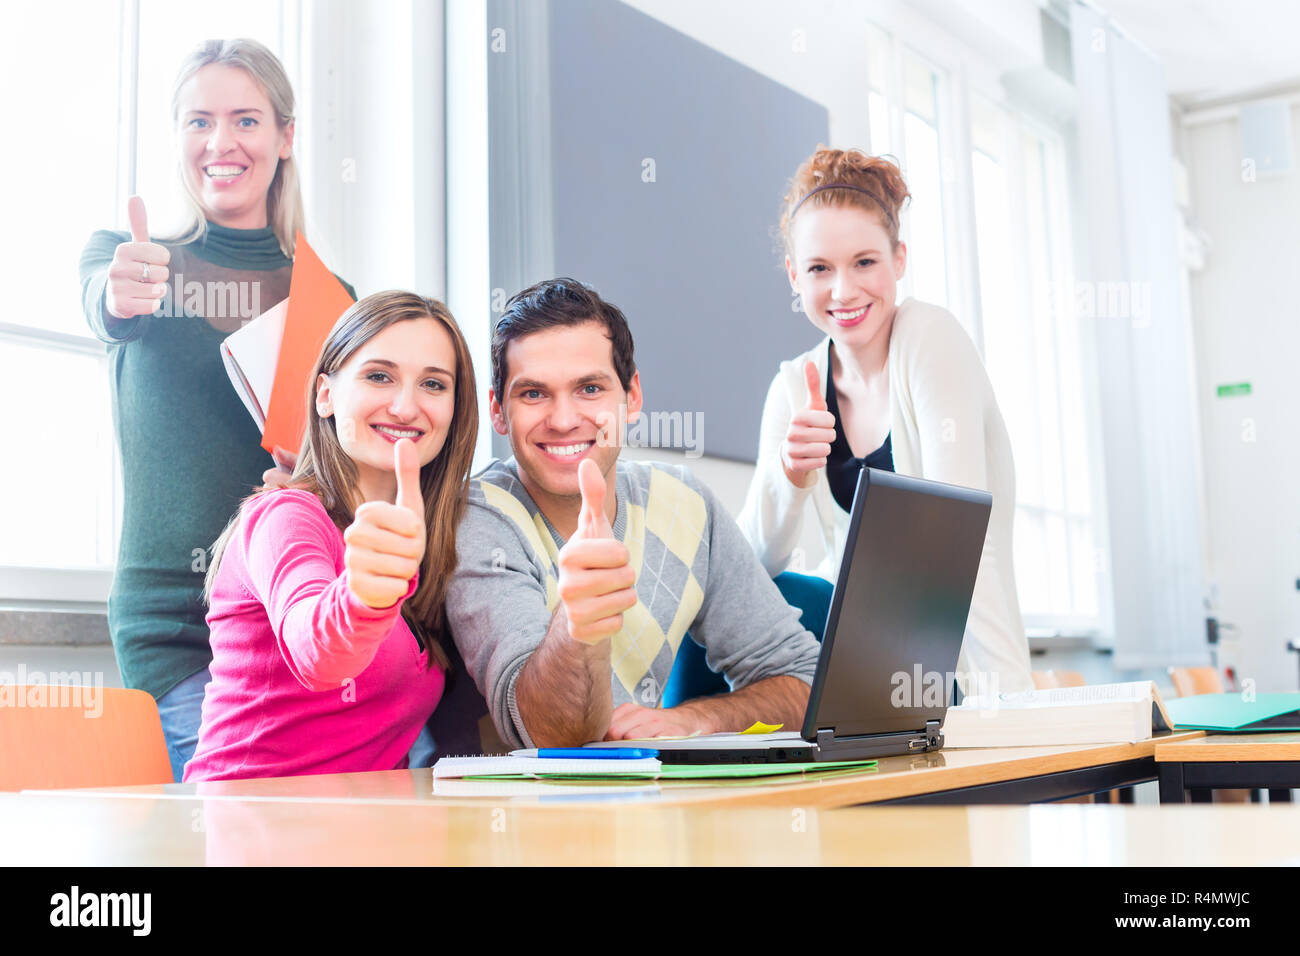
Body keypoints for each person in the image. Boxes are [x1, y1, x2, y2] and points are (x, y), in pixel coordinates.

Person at [77, 39, 355, 779]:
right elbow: (106, 306)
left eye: (245, 120)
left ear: (285, 137)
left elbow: (349, 471)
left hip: (300, 619)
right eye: (198, 121)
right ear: (177, 139)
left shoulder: (335, 302)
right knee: (232, 830)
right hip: (176, 626)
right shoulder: (131, 258)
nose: (221, 142)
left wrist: (315, 485)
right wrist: (116, 291)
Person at [444, 278, 822, 750]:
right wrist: (579, 624)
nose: (563, 420)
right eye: (534, 394)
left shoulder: (685, 504)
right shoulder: (476, 519)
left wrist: (693, 721)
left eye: (589, 388)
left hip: (639, 807)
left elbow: (803, 680)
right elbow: (549, 740)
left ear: (633, 397)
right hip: (502, 815)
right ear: (499, 411)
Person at [736, 146, 1034, 695]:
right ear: (793, 276)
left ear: (899, 259)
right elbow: (753, 565)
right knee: (736, 611)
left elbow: (963, 537)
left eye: (865, 262)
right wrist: (790, 475)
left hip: (942, 663)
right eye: (820, 268)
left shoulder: (929, 338)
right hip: (860, 657)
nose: (844, 290)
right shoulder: (794, 385)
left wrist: (1010, 706)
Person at [184, 291, 478, 781]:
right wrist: (363, 594)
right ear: (326, 394)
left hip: (367, 835)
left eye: (432, 383)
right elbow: (317, 654)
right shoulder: (284, 516)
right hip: (250, 833)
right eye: (378, 376)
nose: (405, 406)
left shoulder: (440, 535)